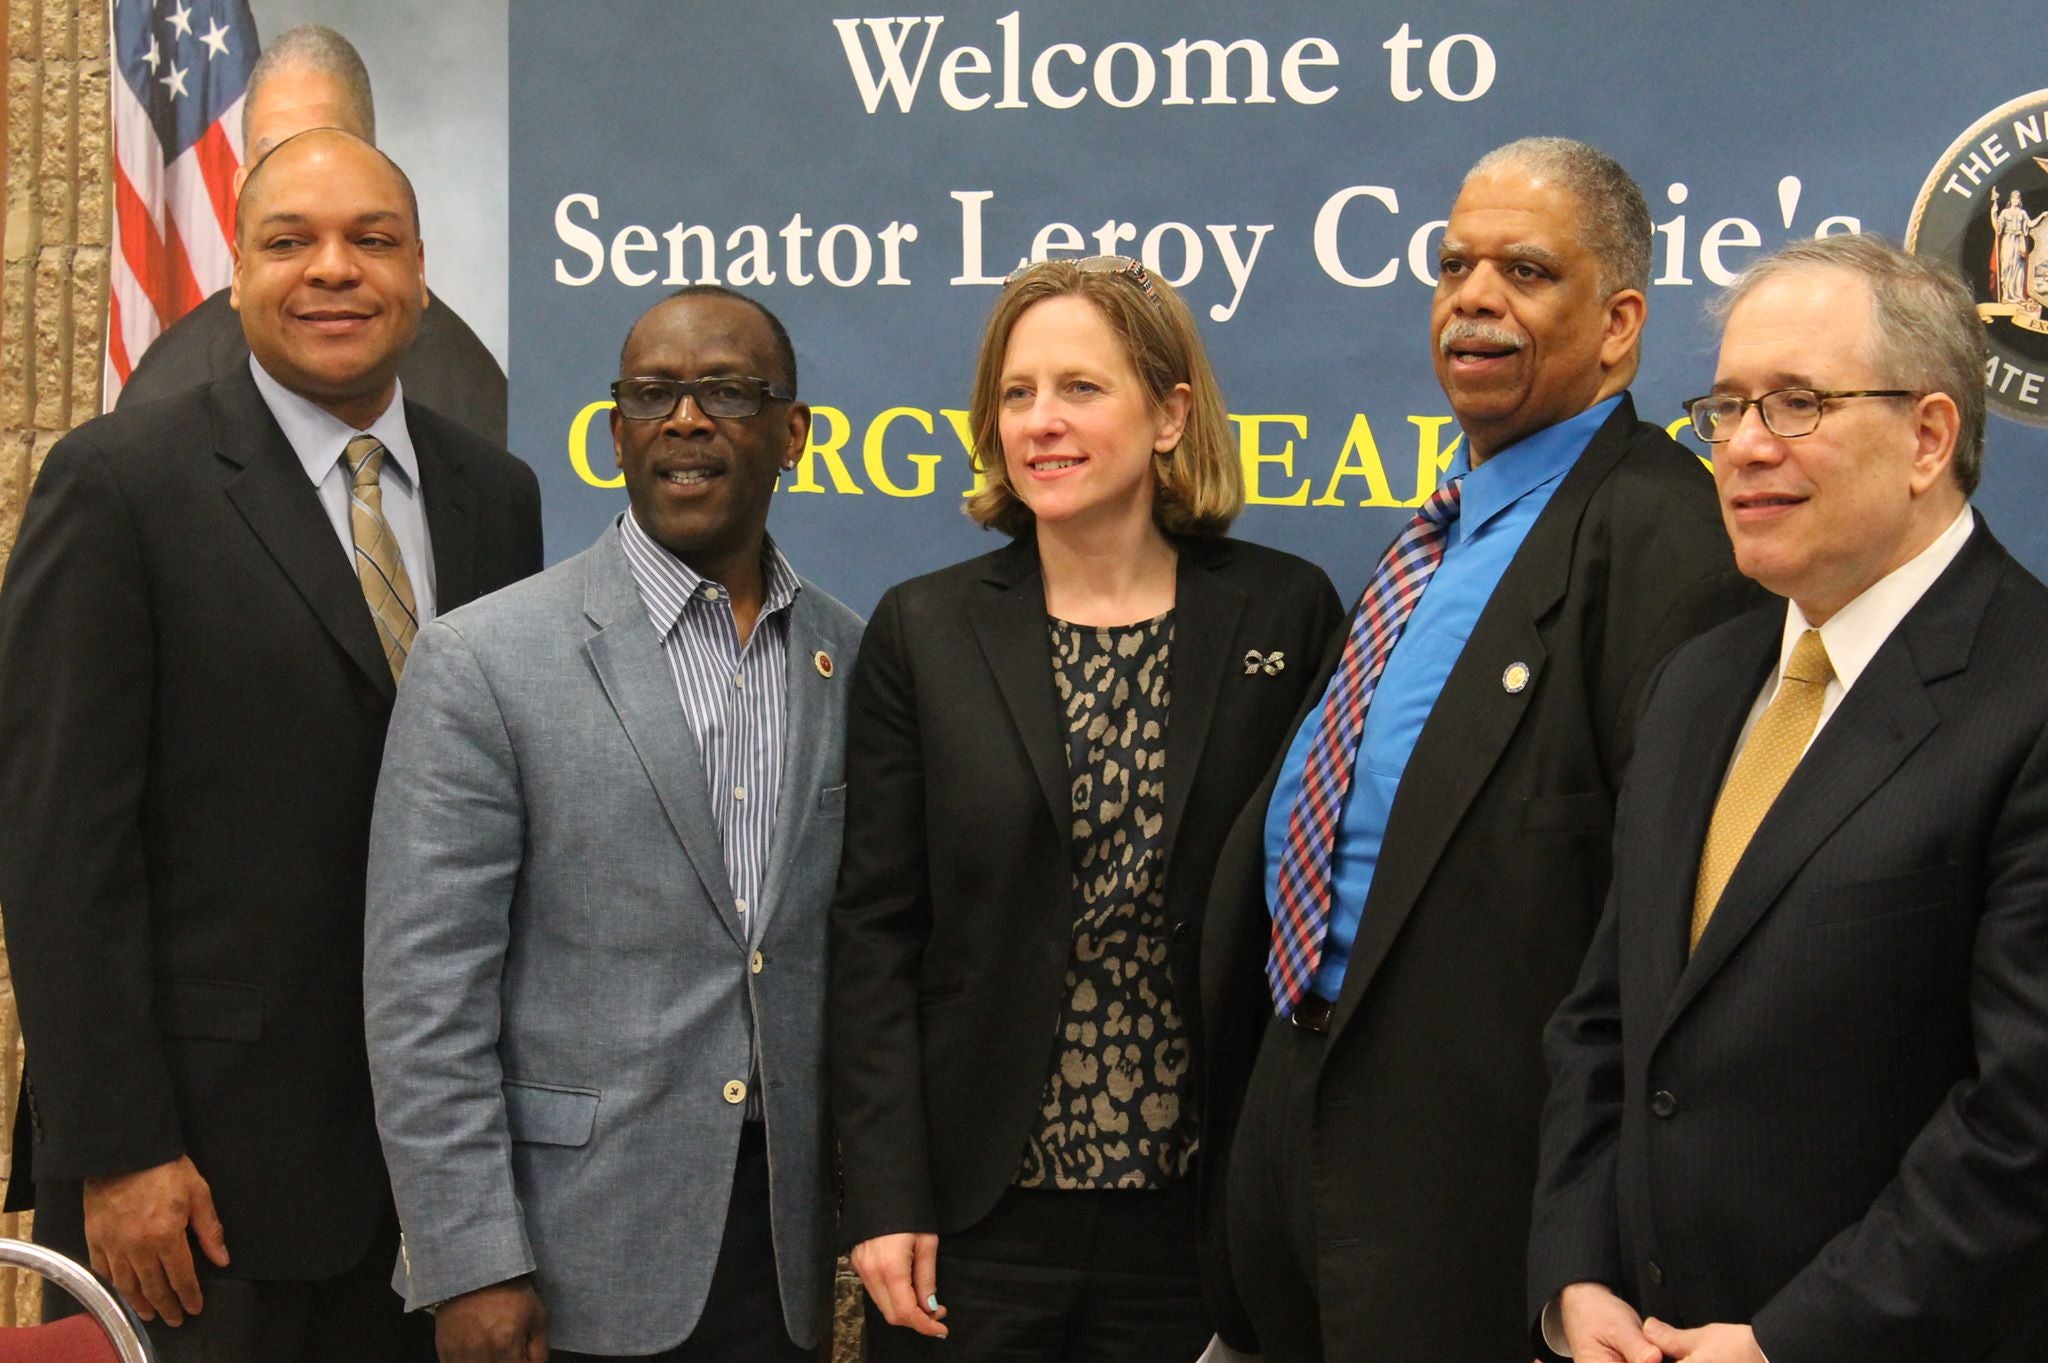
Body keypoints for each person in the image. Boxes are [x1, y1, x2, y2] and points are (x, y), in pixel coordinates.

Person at [1202, 136, 1763, 1363]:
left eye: (1523, 269)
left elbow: (1659, 931)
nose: (1471, 296)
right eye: (1454, 265)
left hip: (1475, 1194)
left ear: (1618, 326)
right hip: (1300, 1134)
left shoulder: (1668, 537)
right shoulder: (1442, 532)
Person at [0, 128, 541, 1362]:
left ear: (420, 268)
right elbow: (55, 847)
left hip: (434, 1194)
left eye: (372, 240)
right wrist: (122, 1147)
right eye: (290, 241)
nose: (333, 270)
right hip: (196, 1200)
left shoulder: (494, 496)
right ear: (236, 272)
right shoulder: (118, 484)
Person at [1530, 234, 2048, 1363]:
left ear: (1926, 438)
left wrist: (1786, 1342)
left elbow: (2023, 1123)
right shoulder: (1694, 684)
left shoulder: (2028, 694)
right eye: (1724, 408)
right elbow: (1606, 1021)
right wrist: (1571, 1275)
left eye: (1796, 404)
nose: (1744, 448)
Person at [830, 256, 1342, 1362]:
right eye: (1015, 394)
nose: (1039, 423)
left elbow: (1313, 914)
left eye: (1078, 388)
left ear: (1168, 415)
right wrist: (881, 1194)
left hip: (1198, 1223)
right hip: (975, 1221)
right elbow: (874, 933)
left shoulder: (1284, 612)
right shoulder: (924, 629)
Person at [365, 285, 861, 1363]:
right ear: (616, 431)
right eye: (651, 395)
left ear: (793, 433)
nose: (685, 420)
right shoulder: (486, 662)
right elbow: (422, 996)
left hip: (775, 1256)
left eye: (726, 390)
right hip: (560, 1258)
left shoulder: (854, 658)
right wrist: (472, 1258)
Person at [116, 24, 509, 447]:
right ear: (240, 187)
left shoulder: (472, 397)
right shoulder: (162, 395)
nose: (306, 179)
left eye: (329, 148)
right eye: (276, 159)